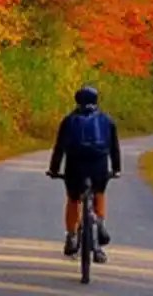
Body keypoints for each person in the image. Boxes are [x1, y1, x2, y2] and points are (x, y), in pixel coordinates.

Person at [46, 85, 121, 262]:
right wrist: (116, 169)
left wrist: (54, 169)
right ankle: (100, 222)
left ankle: (72, 235)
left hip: (75, 166)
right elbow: (114, 148)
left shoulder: (69, 120)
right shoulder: (106, 120)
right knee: (99, 192)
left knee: (73, 198)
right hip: (99, 166)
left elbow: (59, 148)